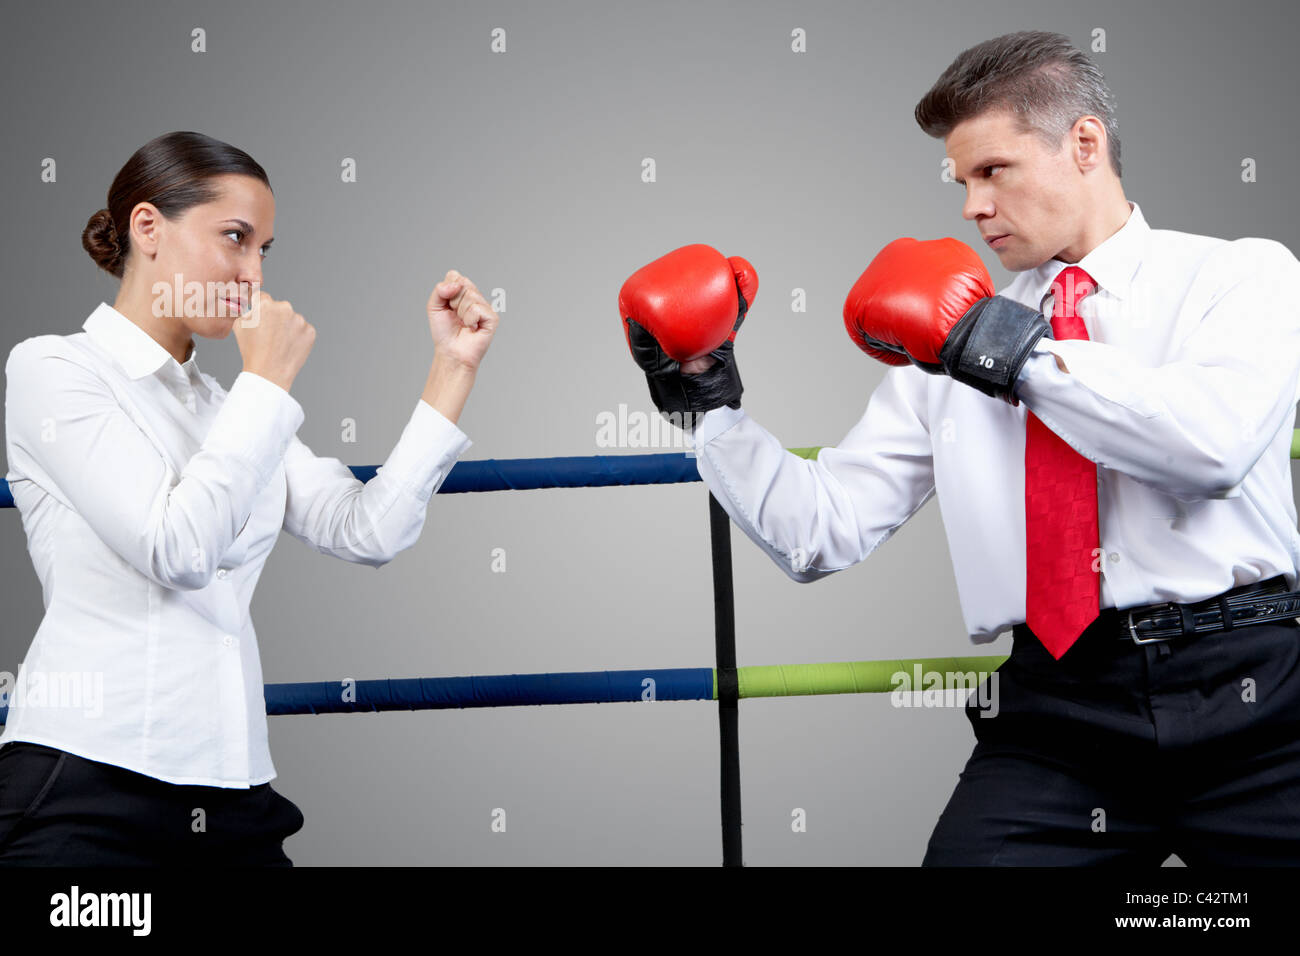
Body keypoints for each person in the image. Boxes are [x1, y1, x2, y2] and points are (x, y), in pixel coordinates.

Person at [620, 31, 1300, 865]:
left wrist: (999, 347)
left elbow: (1211, 447)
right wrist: (709, 401)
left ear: (1085, 145)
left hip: (1256, 693)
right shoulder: (943, 351)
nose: (972, 207)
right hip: (1063, 712)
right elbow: (822, 531)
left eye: (993, 171)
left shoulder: (1239, 277)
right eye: (962, 182)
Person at [0, 130, 499, 865]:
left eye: (265, 249)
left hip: (234, 793)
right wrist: (266, 382)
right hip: (85, 784)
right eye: (235, 238)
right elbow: (176, 548)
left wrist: (453, 368)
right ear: (148, 228)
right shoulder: (55, 368)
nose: (253, 275)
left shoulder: (228, 407)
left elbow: (368, 530)